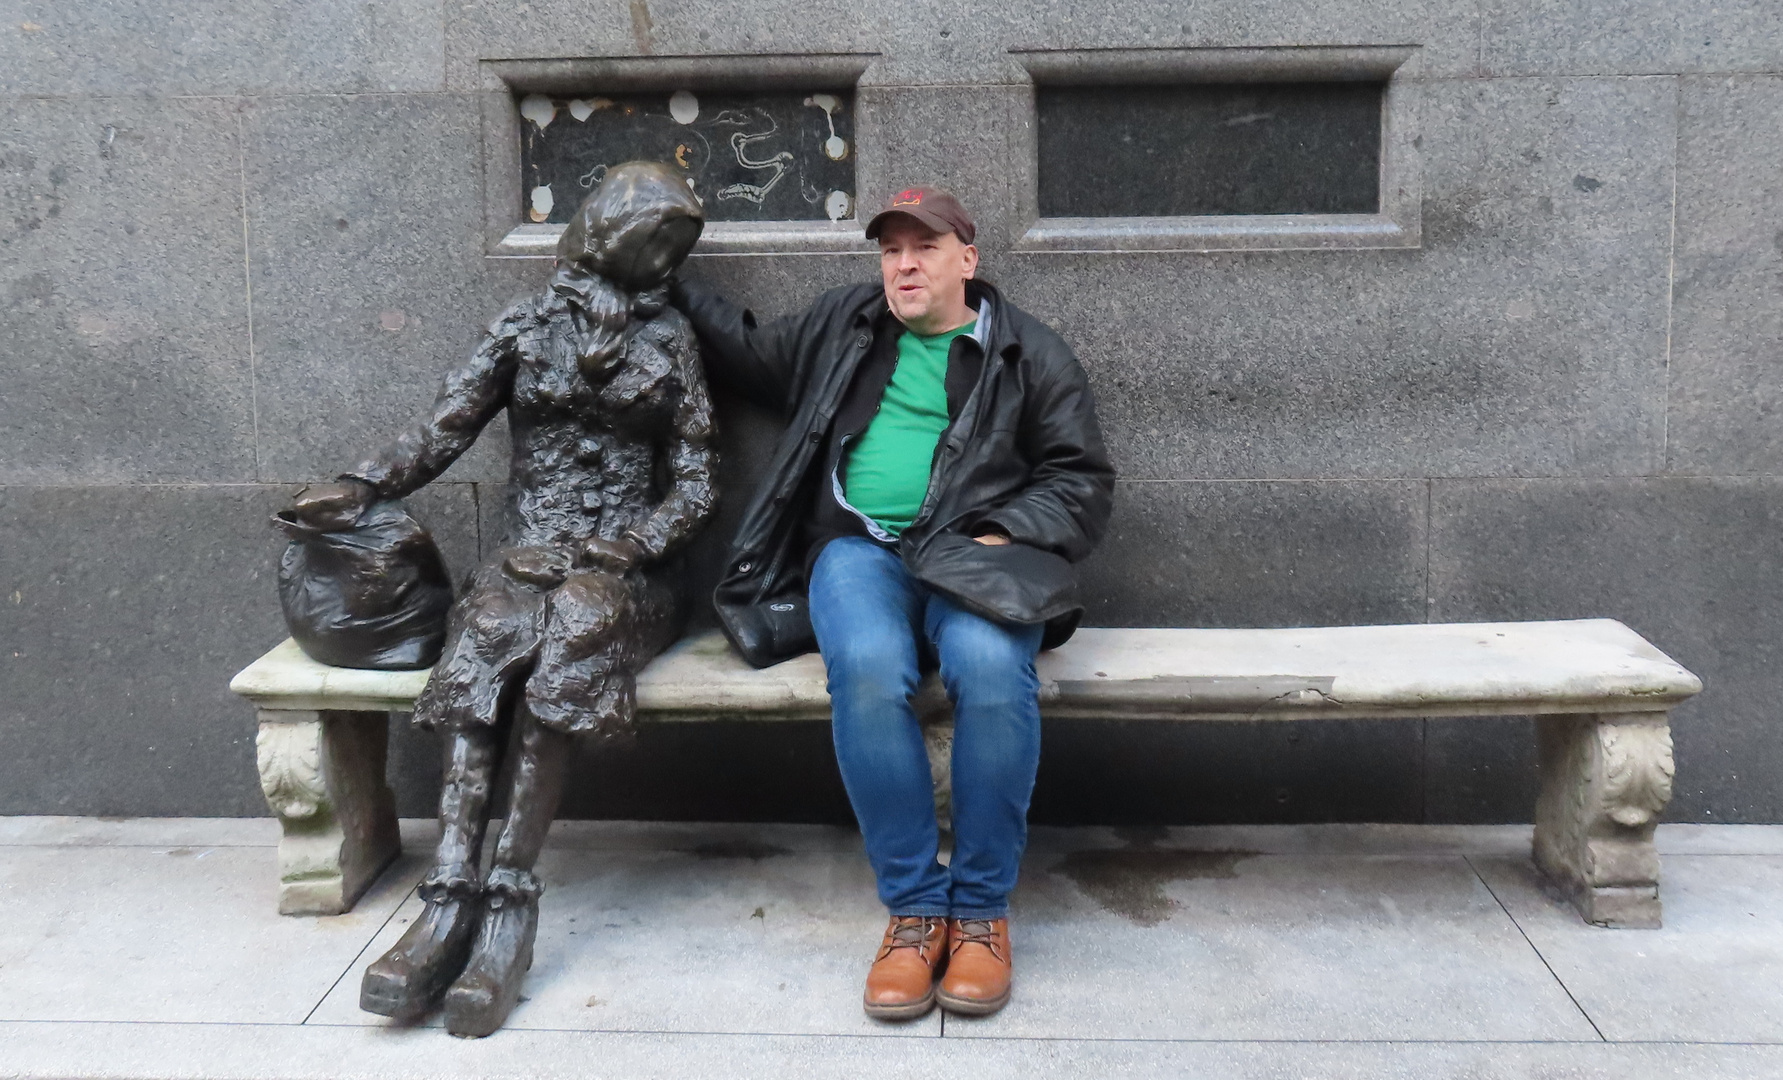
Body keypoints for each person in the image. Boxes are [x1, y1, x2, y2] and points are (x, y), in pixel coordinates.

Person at [284, 162, 717, 1038]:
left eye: (673, 247)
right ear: (602, 234)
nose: (662, 258)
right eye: (650, 239)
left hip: (628, 572)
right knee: (489, 626)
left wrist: (638, 542)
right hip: (527, 549)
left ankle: (511, 900)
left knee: (582, 624)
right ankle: (446, 895)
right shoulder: (523, 326)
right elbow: (443, 428)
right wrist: (359, 484)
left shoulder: (671, 339)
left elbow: (702, 478)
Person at [672, 186, 1115, 1019]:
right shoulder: (846, 325)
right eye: (890, 250)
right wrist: (660, 274)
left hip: (972, 564)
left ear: (966, 262)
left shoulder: (1030, 354)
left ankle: (979, 913)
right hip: (856, 552)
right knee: (869, 668)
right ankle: (914, 909)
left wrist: (1000, 530)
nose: (903, 265)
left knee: (989, 668)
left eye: (923, 248)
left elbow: (1081, 482)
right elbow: (743, 348)